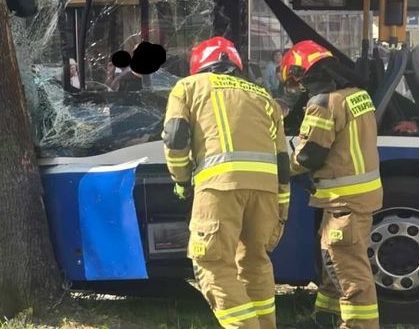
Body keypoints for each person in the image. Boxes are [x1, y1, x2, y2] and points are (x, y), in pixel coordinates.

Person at [163, 36, 289, 329]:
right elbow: (283, 162)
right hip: (266, 192)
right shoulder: (263, 96)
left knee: (213, 264)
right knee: (255, 261)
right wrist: (282, 209)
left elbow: (175, 136)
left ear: (199, 65)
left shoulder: (188, 87)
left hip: (219, 188)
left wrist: (181, 179)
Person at [280, 40, 382, 329]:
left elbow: (311, 154)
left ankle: (358, 325)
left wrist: (282, 166)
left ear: (305, 74)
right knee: (332, 261)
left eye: (297, 81)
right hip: (357, 197)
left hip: (343, 200)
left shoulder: (323, 103)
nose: (299, 89)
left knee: (349, 272)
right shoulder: (357, 95)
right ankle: (324, 318)